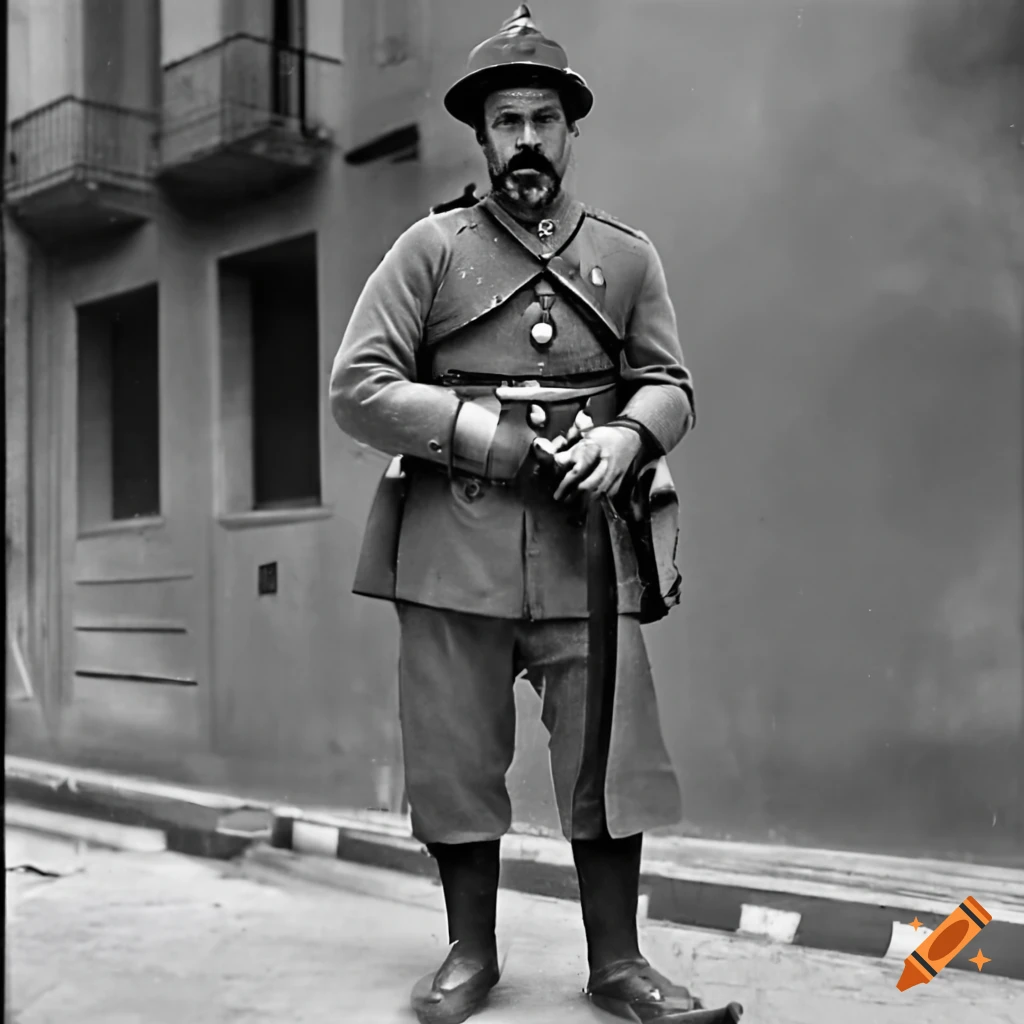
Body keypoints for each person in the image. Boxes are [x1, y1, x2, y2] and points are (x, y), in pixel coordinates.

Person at [330, 7, 741, 1023]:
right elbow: (358, 385)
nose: (523, 140)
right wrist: (491, 439)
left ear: (569, 132)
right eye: (506, 121)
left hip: (586, 546)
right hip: (450, 541)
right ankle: (470, 954)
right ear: (480, 136)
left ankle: (619, 965)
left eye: (542, 120)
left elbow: (670, 384)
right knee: (454, 752)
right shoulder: (427, 250)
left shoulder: (627, 258)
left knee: (608, 752)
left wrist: (627, 439)